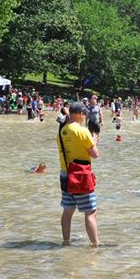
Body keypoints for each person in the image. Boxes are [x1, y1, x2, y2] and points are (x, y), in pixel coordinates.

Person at [57, 102, 100, 246]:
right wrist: (94, 141)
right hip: (81, 175)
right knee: (90, 212)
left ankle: (66, 241)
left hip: (65, 174)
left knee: (68, 210)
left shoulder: (62, 131)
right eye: (84, 114)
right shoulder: (83, 131)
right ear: (80, 114)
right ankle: (95, 245)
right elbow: (95, 154)